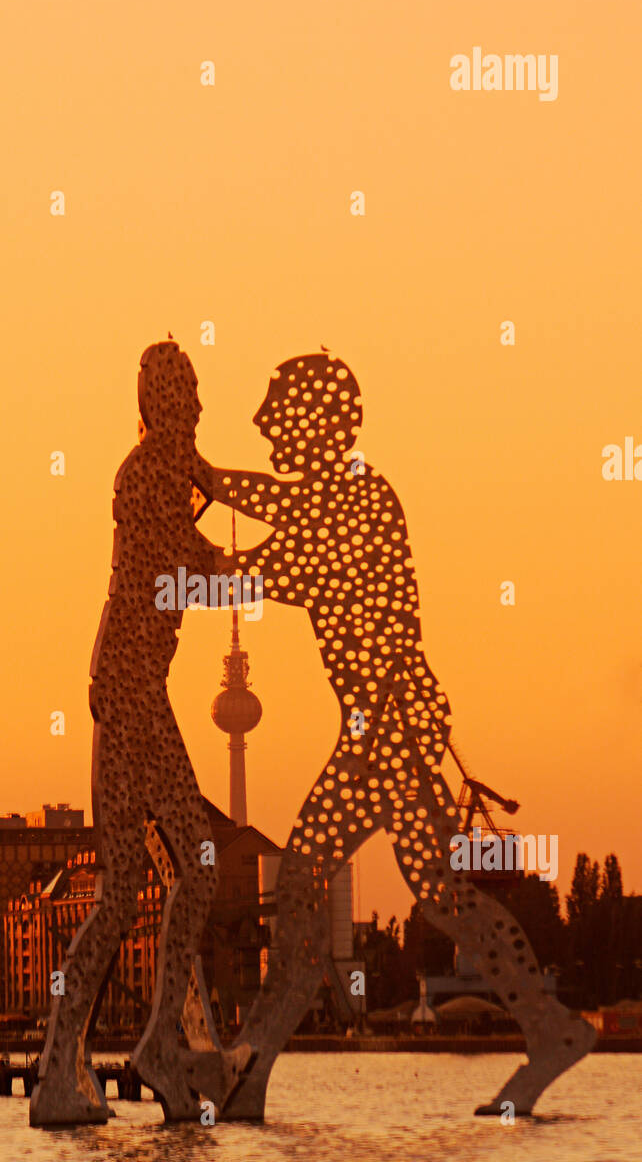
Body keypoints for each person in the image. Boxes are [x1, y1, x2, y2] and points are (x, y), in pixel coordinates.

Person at [210, 351, 594, 1118]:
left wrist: (190, 553)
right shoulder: (334, 497)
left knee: (306, 887)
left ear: (317, 421)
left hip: (385, 725)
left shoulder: (357, 501)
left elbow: (273, 563)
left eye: (276, 410)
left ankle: (249, 1075)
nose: (261, 423)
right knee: (428, 893)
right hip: (387, 723)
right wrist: (206, 480)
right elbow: (276, 506)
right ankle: (550, 1028)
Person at [30, 340, 243, 1126]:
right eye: (187, 397)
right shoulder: (153, 474)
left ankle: (67, 1065)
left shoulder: (161, 465)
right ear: (166, 405)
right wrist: (274, 565)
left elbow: (219, 487)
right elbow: (196, 565)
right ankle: (151, 1043)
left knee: (127, 890)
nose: (196, 410)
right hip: (131, 691)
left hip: (126, 687)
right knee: (197, 864)